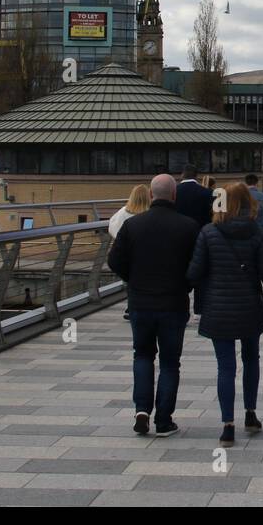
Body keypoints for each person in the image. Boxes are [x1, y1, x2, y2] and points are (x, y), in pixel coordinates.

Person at [186, 182, 263, 448]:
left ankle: (227, 427)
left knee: (226, 367)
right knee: (251, 360)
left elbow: (193, 274)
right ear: (248, 203)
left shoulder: (208, 233)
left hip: (218, 310)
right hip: (249, 310)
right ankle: (250, 414)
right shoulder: (255, 233)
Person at [106, 174, 200, 437]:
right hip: (173, 303)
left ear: (150, 194)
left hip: (140, 303)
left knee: (143, 355)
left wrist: (133, 279)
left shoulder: (133, 226)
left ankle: (141, 410)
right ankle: (164, 420)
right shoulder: (188, 227)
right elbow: (198, 265)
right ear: (174, 196)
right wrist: (186, 284)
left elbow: (114, 261)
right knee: (170, 363)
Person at [109, 184, 152, 321]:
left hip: (129, 253)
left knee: (132, 281)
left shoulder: (123, 212)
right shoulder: (150, 212)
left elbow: (112, 226)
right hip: (147, 253)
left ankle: (132, 306)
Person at [174, 164, 214, 229]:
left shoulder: (173, 192)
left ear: (182, 175)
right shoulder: (207, 192)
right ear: (196, 176)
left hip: (178, 230)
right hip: (200, 231)